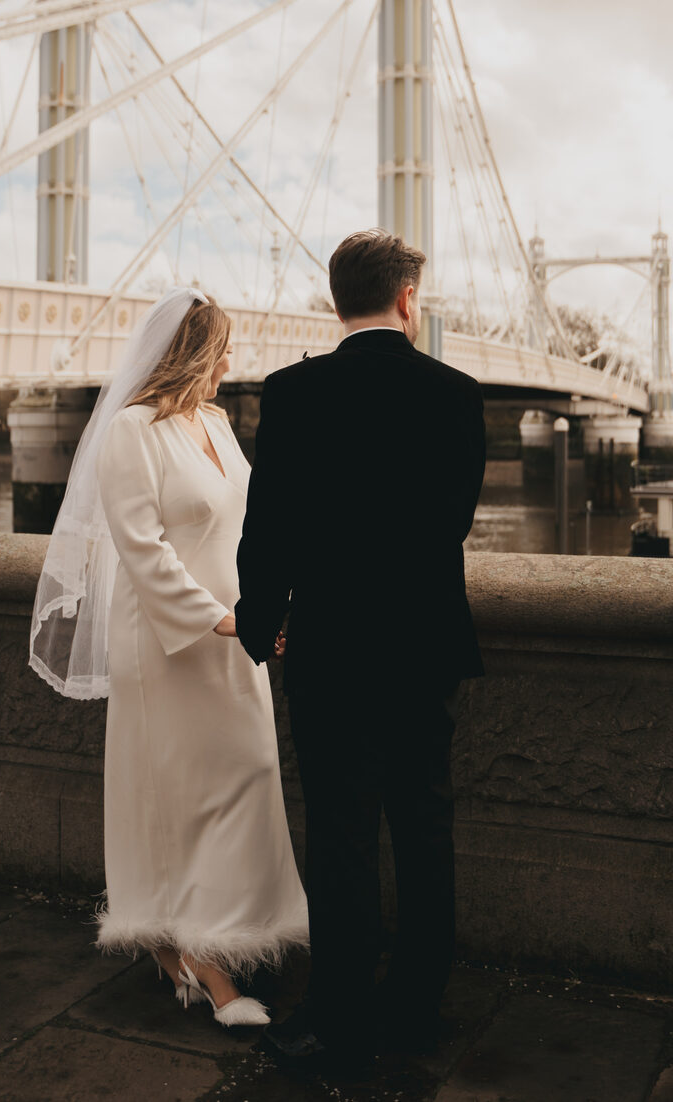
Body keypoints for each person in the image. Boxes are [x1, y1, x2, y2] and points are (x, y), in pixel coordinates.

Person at [235, 230, 486, 1065]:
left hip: (332, 647)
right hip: (423, 645)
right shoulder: (456, 392)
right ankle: (416, 1005)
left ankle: (335, 1013)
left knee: (339, 830)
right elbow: (451, 521)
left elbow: (267, 528)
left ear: (337, 300)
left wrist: (261, 615)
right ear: (408, 299)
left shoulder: (293, 392)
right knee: (424, 823)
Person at [30, 288, 308, 1029]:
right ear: (191, 353)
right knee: (181, 800)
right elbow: (142, 551)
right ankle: (208, 970)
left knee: (247, 779)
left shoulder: (216, 422)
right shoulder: (131, 432)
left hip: (235, 633)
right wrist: (221, 619)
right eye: (221, 348)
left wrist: (267, 605)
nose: (230, 361)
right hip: (170, 643)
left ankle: (198, 940)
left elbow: (251, 526)